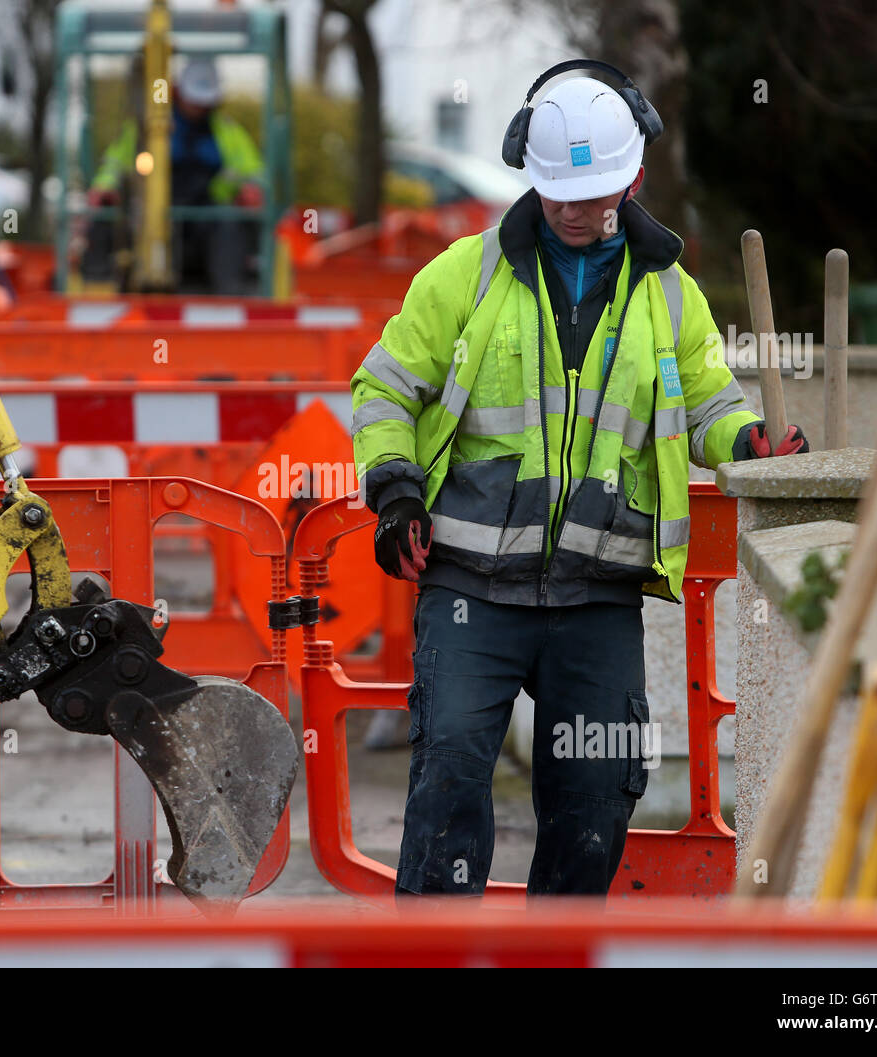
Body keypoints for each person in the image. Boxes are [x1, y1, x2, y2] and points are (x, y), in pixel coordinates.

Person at [349, 61, 809, 899]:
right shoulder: (465, 275)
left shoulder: (670, 297)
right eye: (558, 191)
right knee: (449, 777)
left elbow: (710, 407)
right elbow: (384, 387)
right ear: (531, 174)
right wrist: (395, 490)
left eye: (592, 193)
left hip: (598, 595)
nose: (571, 209)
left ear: (631, 180)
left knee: (594, 803)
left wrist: (750, 439)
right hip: (471, 587)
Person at [86, 57, 265, 293]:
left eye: (206, 102)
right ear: (178, 93)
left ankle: (230, 296)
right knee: (109, 221)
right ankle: (97, 287)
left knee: (229, 227)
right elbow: (115, 164)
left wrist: (251, 190)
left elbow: (253, 173)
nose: (199, 108)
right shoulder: (144, 129)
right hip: (149, 212)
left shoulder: (228, 132)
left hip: (205, 215)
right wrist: (105, 187)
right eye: (195, 101)